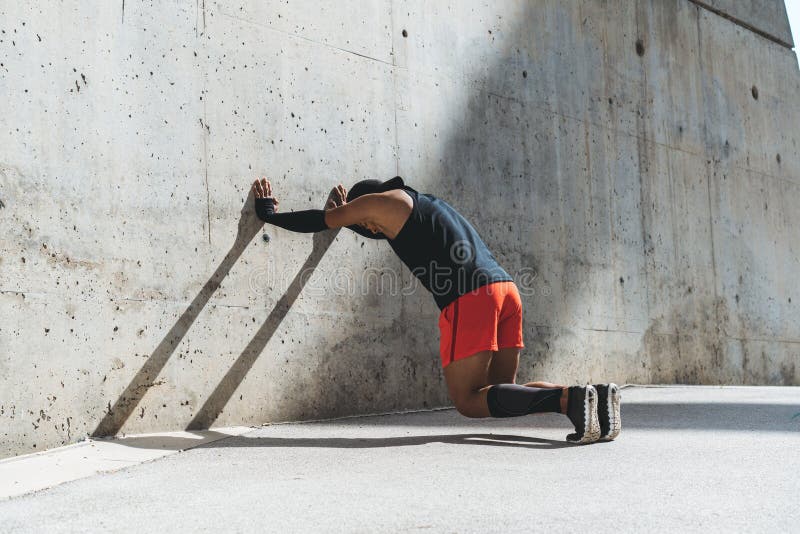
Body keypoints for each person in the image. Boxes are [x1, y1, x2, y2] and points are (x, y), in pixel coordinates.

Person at [251, 176, 621, 443]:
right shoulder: (424, 205)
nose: (365, 227)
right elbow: (378, 228)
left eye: (362, 220)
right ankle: (592, 401)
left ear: (366, 202)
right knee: (500, 392)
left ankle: (567, 400)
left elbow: (320, 220)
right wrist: (351, 218)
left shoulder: (380, 201)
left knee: (468, 401)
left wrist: (270, 214)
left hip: (469, 298)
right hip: (505, 291)